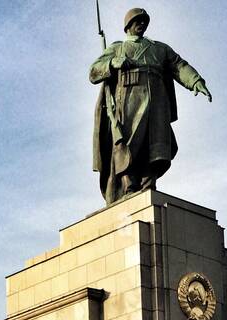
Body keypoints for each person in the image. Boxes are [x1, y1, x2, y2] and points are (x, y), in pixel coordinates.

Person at [90, 7, 211, 205]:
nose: (142, 24)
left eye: (144, 21)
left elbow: (179, 65)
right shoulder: (117, 47)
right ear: (128, 25)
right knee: (128, 144)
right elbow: (94, 71)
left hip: (157, 102)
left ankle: (148, 184)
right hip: (128, 100)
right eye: (137, 20)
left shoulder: (159, 48)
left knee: (155, 146)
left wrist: (196, 81)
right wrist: (112, 63)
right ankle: (129, 185)